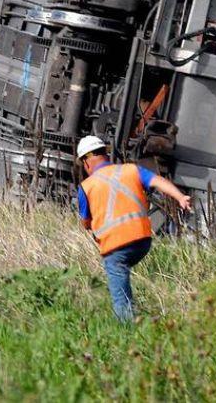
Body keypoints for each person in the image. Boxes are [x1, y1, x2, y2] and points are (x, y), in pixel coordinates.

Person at [74, 135, 192, 322]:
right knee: (123, 273)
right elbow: (158, 181)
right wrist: (180, 197)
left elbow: (85, 223)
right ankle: (150, 308)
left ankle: (128, 335)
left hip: (116, 247)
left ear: (86, 161)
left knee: (121, 297)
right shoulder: (130, 170)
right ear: (105, 153)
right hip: (142, 240)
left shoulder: (86, 187)